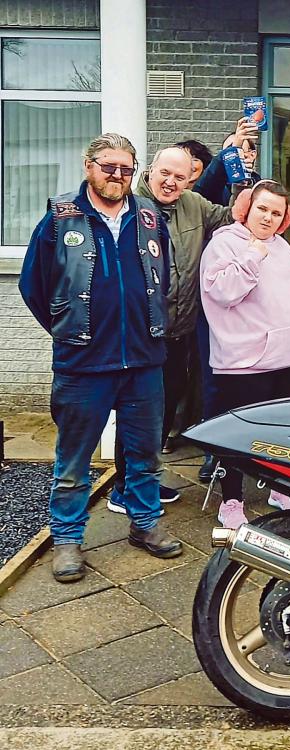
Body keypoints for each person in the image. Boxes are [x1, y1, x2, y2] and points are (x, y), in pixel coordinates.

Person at [19, 133, 183, 582]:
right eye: (108, 166)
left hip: (144, 361)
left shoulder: (149, 216)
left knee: (145, 455)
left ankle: (145, 524)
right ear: (88, 166)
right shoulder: (60, 219)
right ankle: (67, 538)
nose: (117, 175)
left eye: (126, 168)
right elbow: (34, 286)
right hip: (83, 365)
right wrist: (68, 329)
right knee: (74, 461)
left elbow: (163, 279)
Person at [107, 141, 242, 514]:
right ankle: (123, 488)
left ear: (189, 179)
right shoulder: (128, 208)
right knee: (137, 412)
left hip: (179, 332)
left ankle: (144, 480)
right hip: (141, 335)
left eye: (180, 177)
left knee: (165, 410)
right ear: (150, 170)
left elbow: (232, 216)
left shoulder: (193, 204)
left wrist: (240, 176)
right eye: (165, 173)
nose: (170, 182)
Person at [200, 179, 290, 527]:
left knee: (280, 431)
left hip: (287, 355)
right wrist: (252, 256)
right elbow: (223, 292)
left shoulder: (280, 246)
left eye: (276, 213)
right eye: (262, 209)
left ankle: (280, 489)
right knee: (238, 435)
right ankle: (231, 500)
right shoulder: (223, 243)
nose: (268, 218)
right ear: (246, 209)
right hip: (245, 361)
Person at [193, 120, 262, 206]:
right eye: (226, 153)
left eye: (237, 151)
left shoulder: (262, 187)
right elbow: (199, 194)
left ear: (252, 155)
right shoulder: (216, 188)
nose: (232, 156)